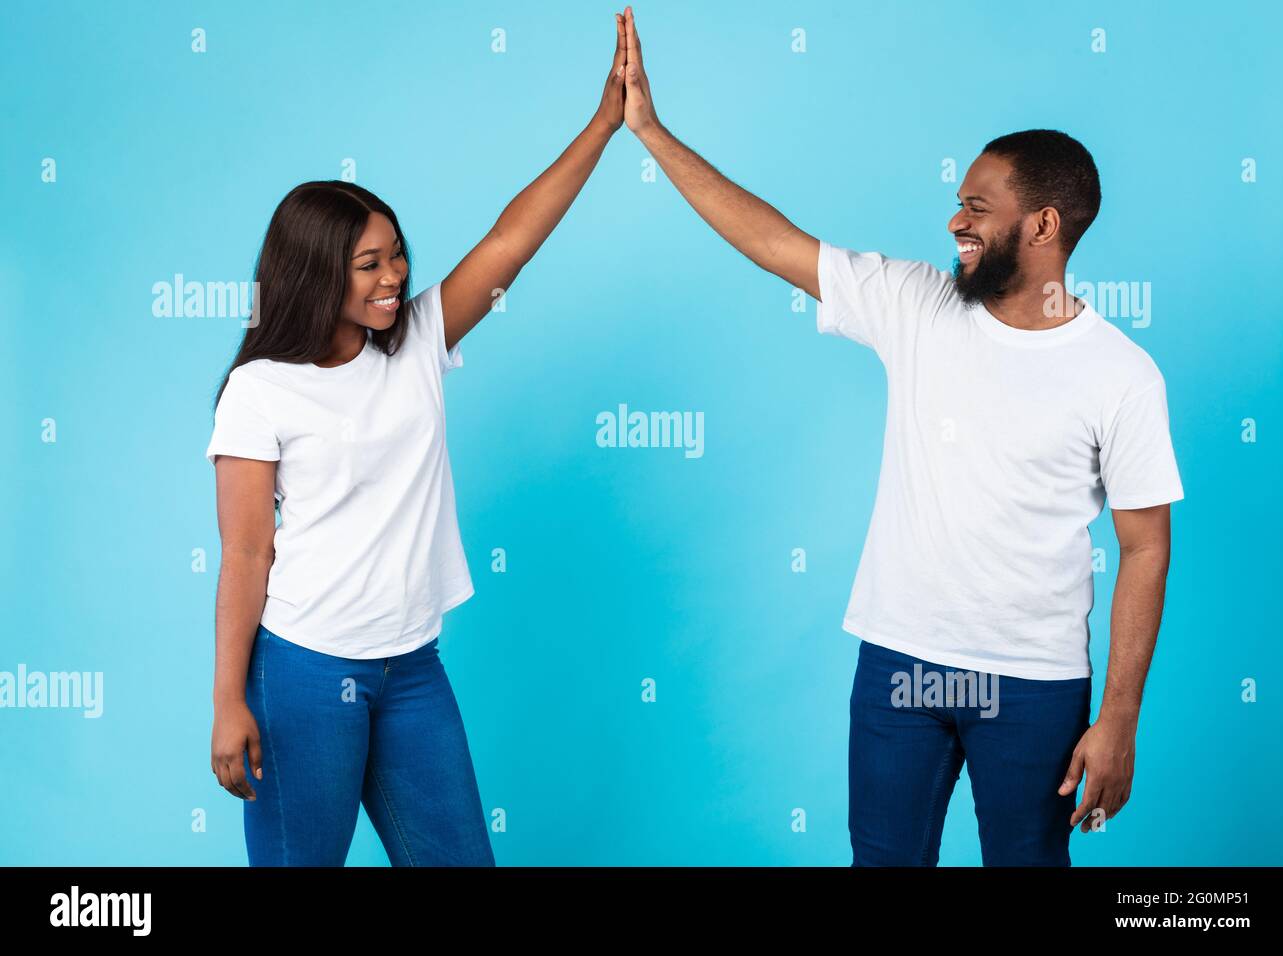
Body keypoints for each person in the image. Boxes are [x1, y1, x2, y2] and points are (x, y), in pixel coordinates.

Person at [615, 5, 1183, 865]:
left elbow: (1144, 549)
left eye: (978, 207)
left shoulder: (1122, 374)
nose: (957, 221)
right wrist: (652, 132)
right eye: (957, 203)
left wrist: (1119, 721)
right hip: (900, 667)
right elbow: (771, 241)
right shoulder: (915, 302)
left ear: (1042, 227)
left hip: (1030, 685)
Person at [205, 15, 631, 866]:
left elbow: (513, 239)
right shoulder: (260, 392)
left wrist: (604, 124)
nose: (394, 277)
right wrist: (226, 701)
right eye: (368, 264)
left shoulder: (418, 345)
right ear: (317, 272)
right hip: (303, 674)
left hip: (412, 673)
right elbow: (248, 555)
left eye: (395, 256)